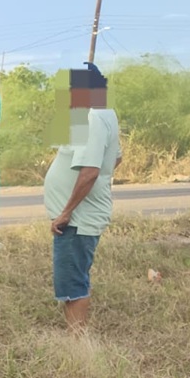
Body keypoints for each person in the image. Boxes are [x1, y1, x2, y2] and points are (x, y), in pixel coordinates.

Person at [44, 63, 122, 333]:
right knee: (73, 278)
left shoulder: (94, 117)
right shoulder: (103, 114)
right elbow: (116, 158)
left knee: (73, 282)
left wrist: (67, 211)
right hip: (80, 214)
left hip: (77, 219)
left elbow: (90, 171)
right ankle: (75, 336)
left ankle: (77, 342)